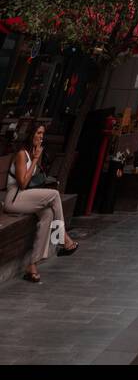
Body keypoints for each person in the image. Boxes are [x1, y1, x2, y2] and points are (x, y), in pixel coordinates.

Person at [1, 120, 79, 281]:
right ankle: (61, 238)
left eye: (43, 134)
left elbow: (34, 180)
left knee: (48, 214)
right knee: (54, 195)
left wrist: (37, 158)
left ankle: (32, 264)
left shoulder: (32, 152)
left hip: (25, 197)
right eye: (38, 133)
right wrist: (36, 159)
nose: (41, 137)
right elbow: (22, 183)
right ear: (31, 135)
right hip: (14, 198)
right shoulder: (22, 154)